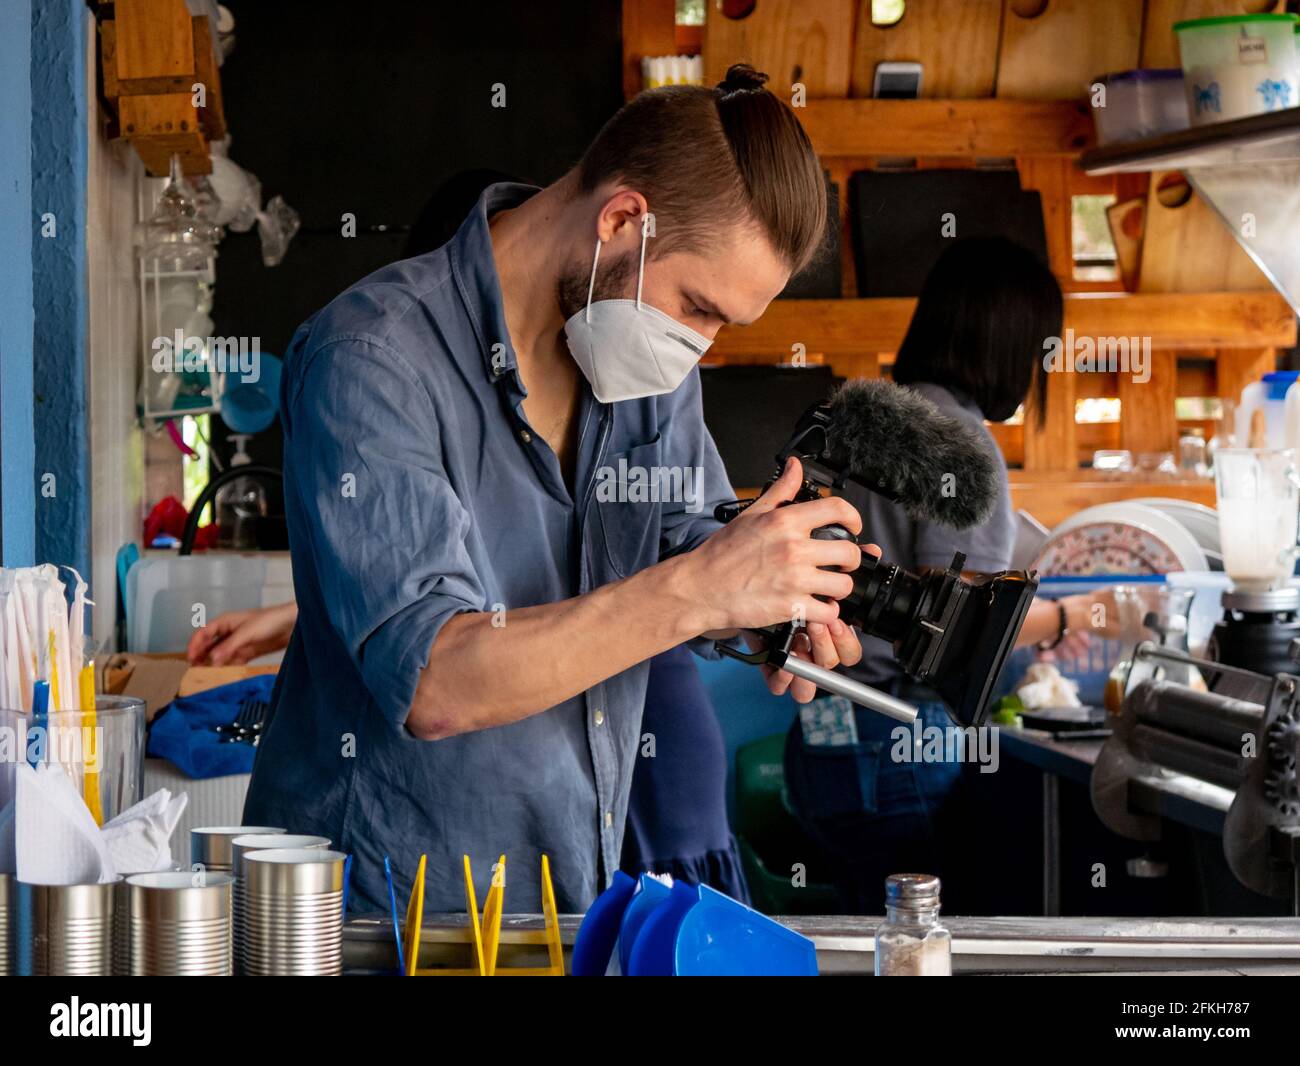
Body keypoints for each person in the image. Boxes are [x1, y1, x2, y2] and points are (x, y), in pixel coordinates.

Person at [235, 65, 869, 915]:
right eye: (700, 307)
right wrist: (702, 589)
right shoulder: (372, 358)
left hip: (566, 896)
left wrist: (774, 609)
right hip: (385, 918)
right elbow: (435, 682)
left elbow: (688, 548)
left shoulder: (643, 358)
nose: (701, 347)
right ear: (621, 220)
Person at [782, 236, 1113, 914]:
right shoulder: (960, 444)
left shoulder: (865, 414)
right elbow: (958, 629)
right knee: (917, 947)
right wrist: (1082, 617)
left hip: (819, 741)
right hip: (899, 745)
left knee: (864, 944)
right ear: (1009, 341)